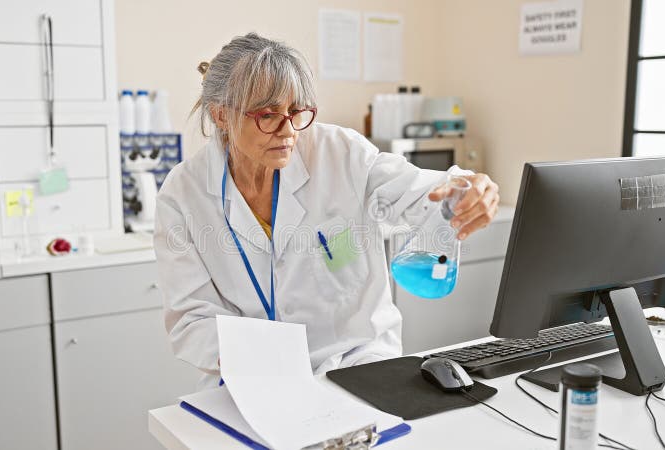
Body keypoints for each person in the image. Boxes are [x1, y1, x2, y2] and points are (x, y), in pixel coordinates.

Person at [154, 33, 499, 390]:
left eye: (296, 111)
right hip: (250, 379)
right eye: (268, 115)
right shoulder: (183, 195)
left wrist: (466, 190)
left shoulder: (340, 154)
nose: (289, 130)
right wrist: (257, 357)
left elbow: (420, 192)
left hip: (356, 366)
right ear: (221, 114)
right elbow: (190, 318)